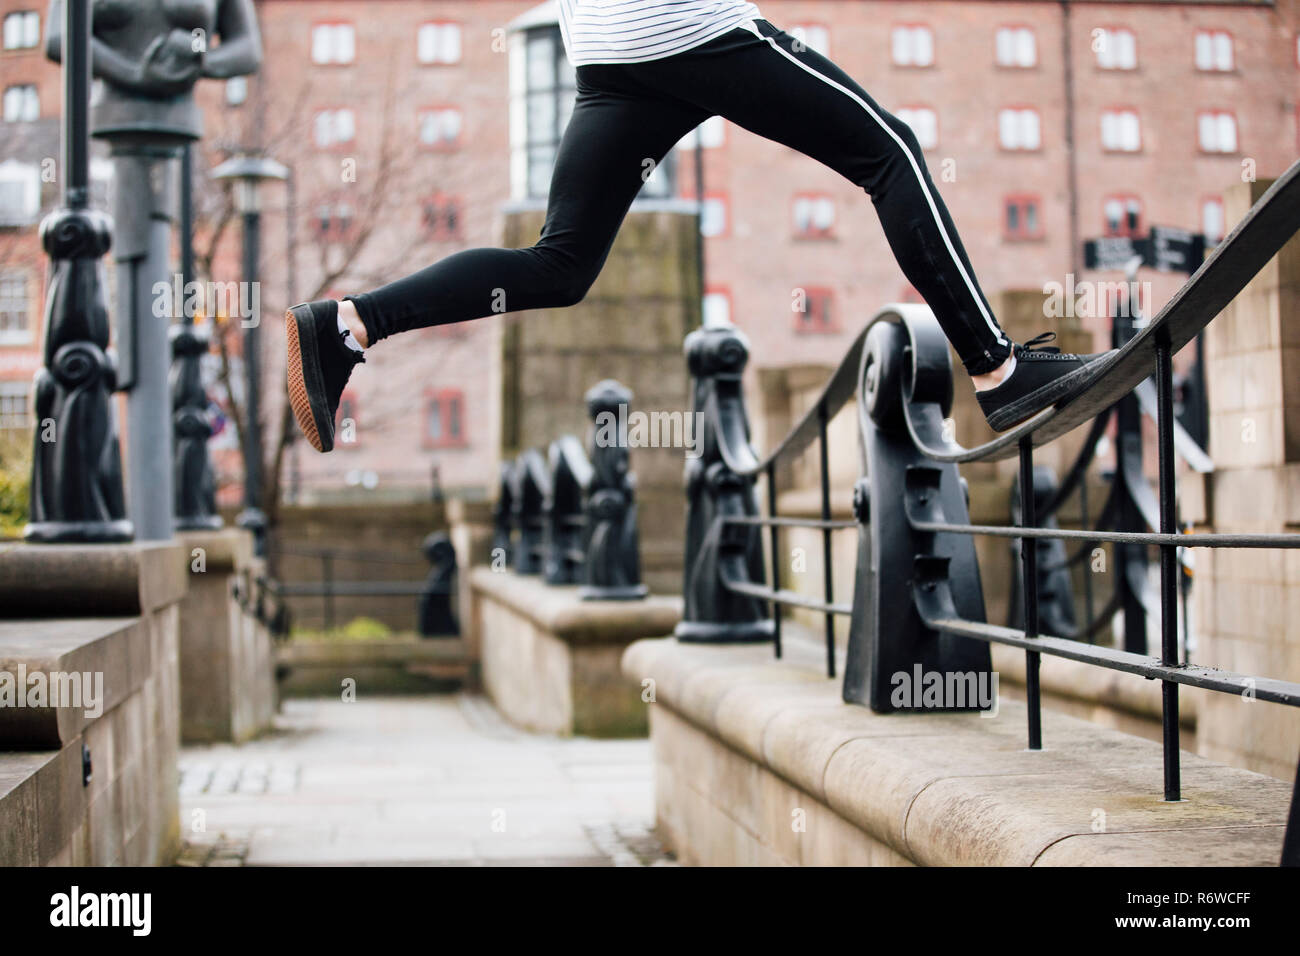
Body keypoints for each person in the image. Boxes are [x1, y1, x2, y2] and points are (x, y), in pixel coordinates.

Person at [286, 2, 1112, 453]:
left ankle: (349, 324)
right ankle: (999, 372)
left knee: (561, 263)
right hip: (688, 27)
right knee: (890, 151)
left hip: (610, 55)